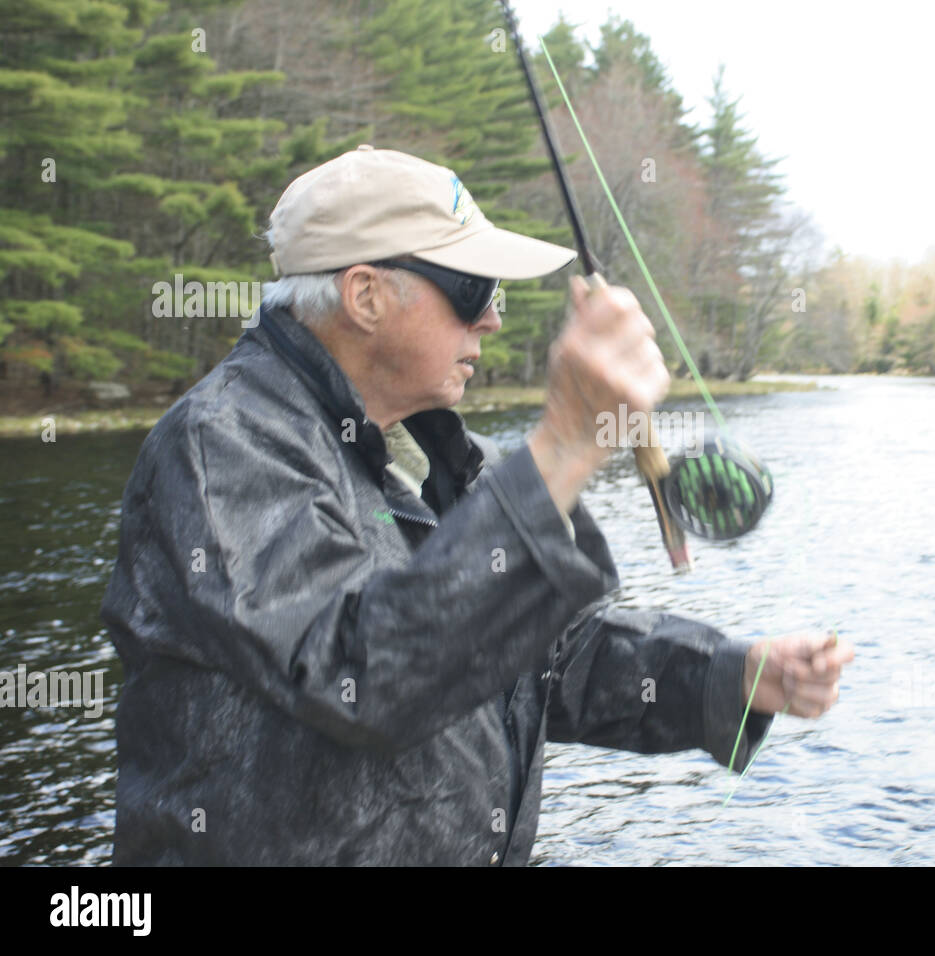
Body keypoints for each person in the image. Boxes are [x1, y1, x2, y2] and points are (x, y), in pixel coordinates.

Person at [100, 146, 852, 865]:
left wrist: (731, 674)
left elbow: (553, 656)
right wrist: (562, 448)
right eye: (472, 290)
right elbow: (359, 678)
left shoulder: (441, 458)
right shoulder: (220, 446)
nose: (492, 319)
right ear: (364, 295)